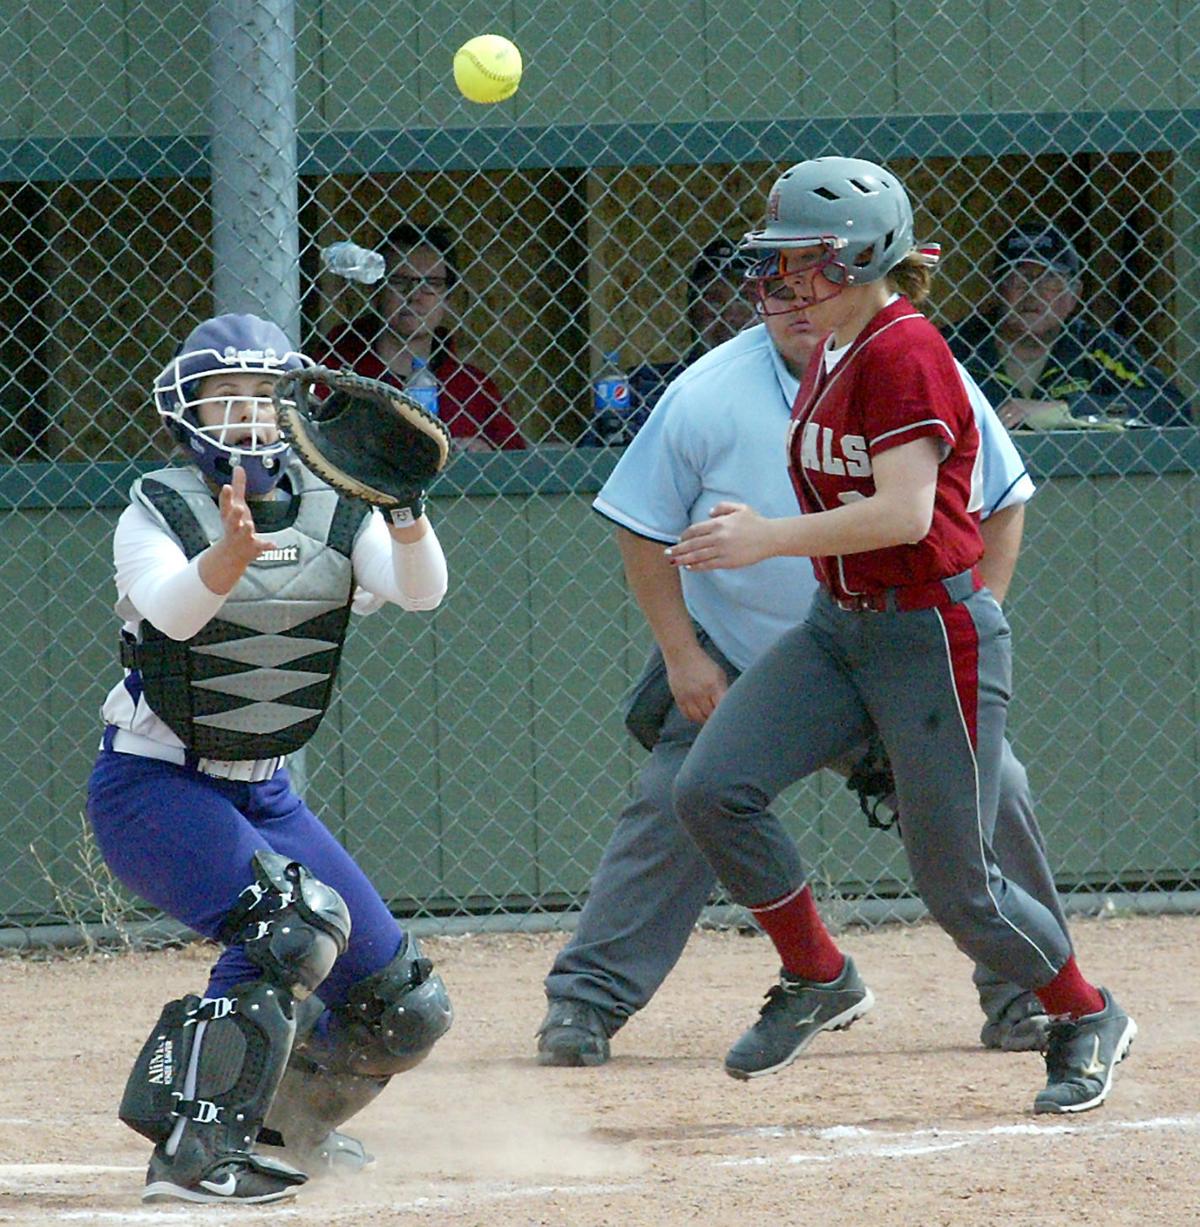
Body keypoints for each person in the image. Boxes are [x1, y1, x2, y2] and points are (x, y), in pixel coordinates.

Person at [662, 156, 1136, 1115]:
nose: (785, 279)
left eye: (807, 260)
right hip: (840, 627)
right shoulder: (835, 345)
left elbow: (908, 514)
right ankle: (820, 974)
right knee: (711, 788)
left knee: (961, 891)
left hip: (931, 635)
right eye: (780, 260)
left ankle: (1086, 1013)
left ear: (864, 254)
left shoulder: (904, 349)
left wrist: (764, 537)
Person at [539, 250, 1060, 1069]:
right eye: (776, 290)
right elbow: (640, 524)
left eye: (813, 283)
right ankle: (588, 998)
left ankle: (1029, 995)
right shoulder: (709, 391)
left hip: (894, 651)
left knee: (999, 790)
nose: (797, 305)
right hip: (746, 659)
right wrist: (682, 656)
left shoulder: (916, 362)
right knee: (684, 789)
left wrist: (970, 618)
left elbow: (1002, 499)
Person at [86, 314, 455, 1205]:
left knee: (402, 1007)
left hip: (265, 792)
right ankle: (193, 1151)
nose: (250, 416)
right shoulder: (159, 506)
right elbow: (173, 612)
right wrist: (228, 555)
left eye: (266, 397)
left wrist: (403, 510)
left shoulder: (334, 506)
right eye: (228, 397)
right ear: (188, 411)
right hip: (154, 785)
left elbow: (420, 591)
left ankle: (283, 1128)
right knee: (290, 925)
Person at [944, 222, 1191, 430]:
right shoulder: (953, 349)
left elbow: (1172, 407)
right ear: (997, 290)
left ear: (1075, 293)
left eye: (1049, 278)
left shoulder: (1095, 349)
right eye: (1018, 278)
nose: (1033, 291)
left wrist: (1066, 410)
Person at [319, 221, 528, 451]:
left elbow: (518, 464)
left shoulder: (473, 388)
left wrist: (485, 457)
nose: (414, 295)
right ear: (376, 289)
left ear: (447, 296)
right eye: (399, 282)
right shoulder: (333, 374)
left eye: (431, 284)